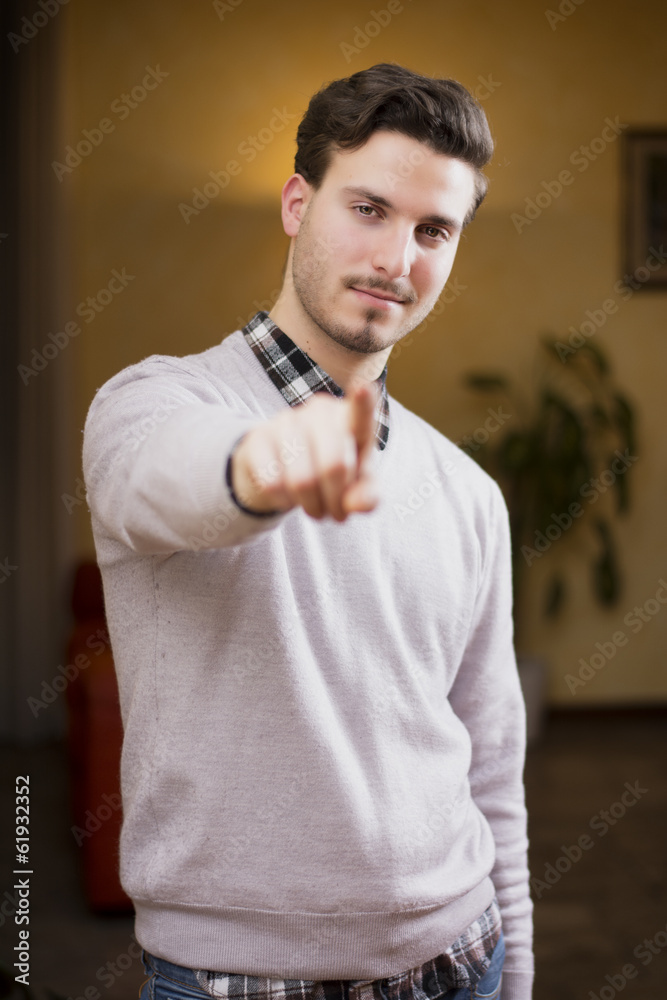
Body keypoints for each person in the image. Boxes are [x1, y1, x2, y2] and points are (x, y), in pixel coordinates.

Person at [83, 63, 533, 1000]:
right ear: (297, 203)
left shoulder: (467, 491)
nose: (396, 259)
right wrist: (271, 461)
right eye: (367, 208)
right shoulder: (154, 403)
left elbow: (490, 764)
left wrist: (516, 971)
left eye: (431, 230)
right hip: (241, 980)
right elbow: (168, 477)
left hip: (464, 955)